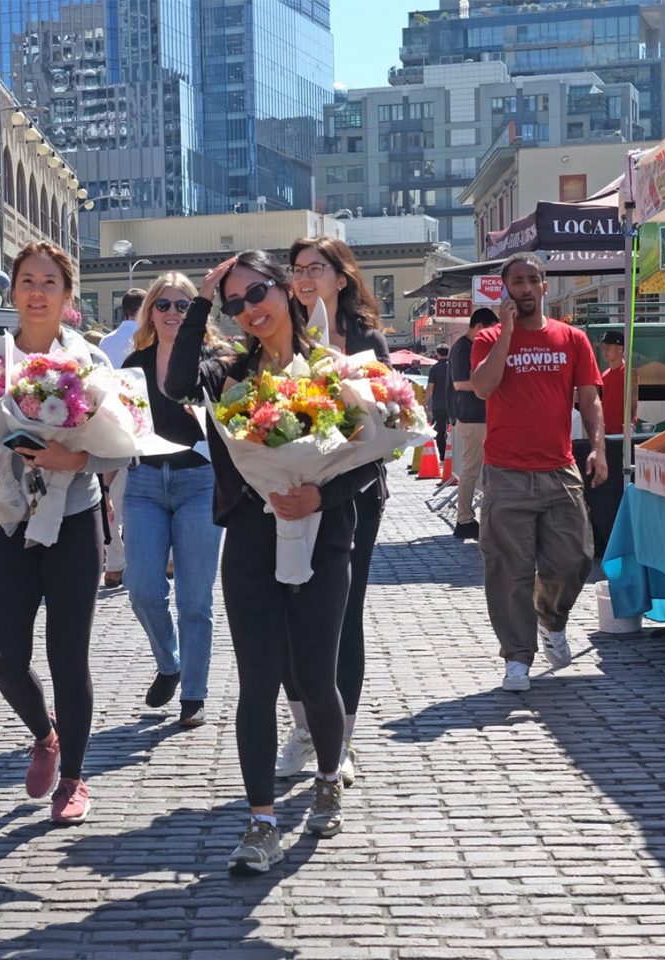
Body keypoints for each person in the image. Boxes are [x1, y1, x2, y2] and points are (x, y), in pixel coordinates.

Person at [166, 250, 380, 874]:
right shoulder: (227, 372)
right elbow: (177, 382)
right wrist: (202, 299)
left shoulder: (334, 368)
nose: (249, 310)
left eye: (256, 293)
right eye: (234, 304)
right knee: (258, 682)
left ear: (287, 288)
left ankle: (329, 776)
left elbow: (372, 457)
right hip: (252, 540)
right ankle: (260, 821)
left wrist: (322, 493)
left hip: (325, 533)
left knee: (317, 677)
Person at [0, 242, 130, 826]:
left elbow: (117, 448)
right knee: (3, 654)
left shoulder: (90, 364)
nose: (37, 291)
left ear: (67, 295)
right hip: (4, 515)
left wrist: (74, 461)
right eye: (27, 280)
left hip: (73, 520)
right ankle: (44, 734)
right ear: (13, 292)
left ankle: (76, 777)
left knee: (67, 655)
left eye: (49, 282)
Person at [275, 236, 391, 788]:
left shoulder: (365, 337)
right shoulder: (277, 331)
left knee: (343, 616)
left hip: (355, 495)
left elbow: (391, 414)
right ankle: (303, 729)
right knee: (288, 617)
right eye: (296, 269)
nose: (303, 278)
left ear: (340, 278)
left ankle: (339, 740)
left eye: (314, 268)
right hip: (287, 491)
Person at [470, 253, 606, 693]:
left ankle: (551, 619)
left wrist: (599, 449)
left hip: (559, 469)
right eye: (516, 282)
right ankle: (516, 656)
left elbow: (590, 399)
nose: (525, 288)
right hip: (506, 472)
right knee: (509, 569)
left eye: (532, 280)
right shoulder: (489, 337)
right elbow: (483, 387)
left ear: (545, 286)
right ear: (505, 289)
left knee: (574, 559)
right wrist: (507, 333)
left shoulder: (572, 339)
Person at [120, 273, 224, 729]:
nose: (172, 314)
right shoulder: (133, 363)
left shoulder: (214, 361)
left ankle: (194, 693)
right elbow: (119, 425)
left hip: (199, 483)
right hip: (143, 482)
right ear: (150, 313)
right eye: (163, 305)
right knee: (142, 589)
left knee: (194, 599)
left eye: (183, 306)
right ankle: (169, 663)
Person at [97, 288, 146, 587]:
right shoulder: (149, 337)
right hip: (144, 425)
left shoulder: (106, 341)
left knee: (108, 496)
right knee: (147, 494)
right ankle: (159, 558)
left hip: (109, 424)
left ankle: (114, 563)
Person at [449, 308, 498, 541]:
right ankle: (464, 520)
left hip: (479, 417)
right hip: (472, 417)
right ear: (479, 327)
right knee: (471, 468)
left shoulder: (472, 346)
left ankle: (473, 517)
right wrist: (487, 386)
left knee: (479, 468)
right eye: (489, 331)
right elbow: (460, 383)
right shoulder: (462, 348)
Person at [598, 330, 639, 436]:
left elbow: (633, 402)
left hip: (622, 432)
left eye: (608, 348)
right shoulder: (604, 374)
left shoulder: (629, 372)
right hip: (605, 430)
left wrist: (630, 425)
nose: (604, 352)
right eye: (603, 348)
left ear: (620, 349)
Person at [424, 344, 451, 460]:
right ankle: (454, 455)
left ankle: (442, 456)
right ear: (448, 353)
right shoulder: (453, 367)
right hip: (452, 404)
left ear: (437, 354)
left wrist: (424, 402)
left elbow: (430, 387)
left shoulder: (434, 369)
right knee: (454, 430)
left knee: (440, 431)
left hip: (438, 405)